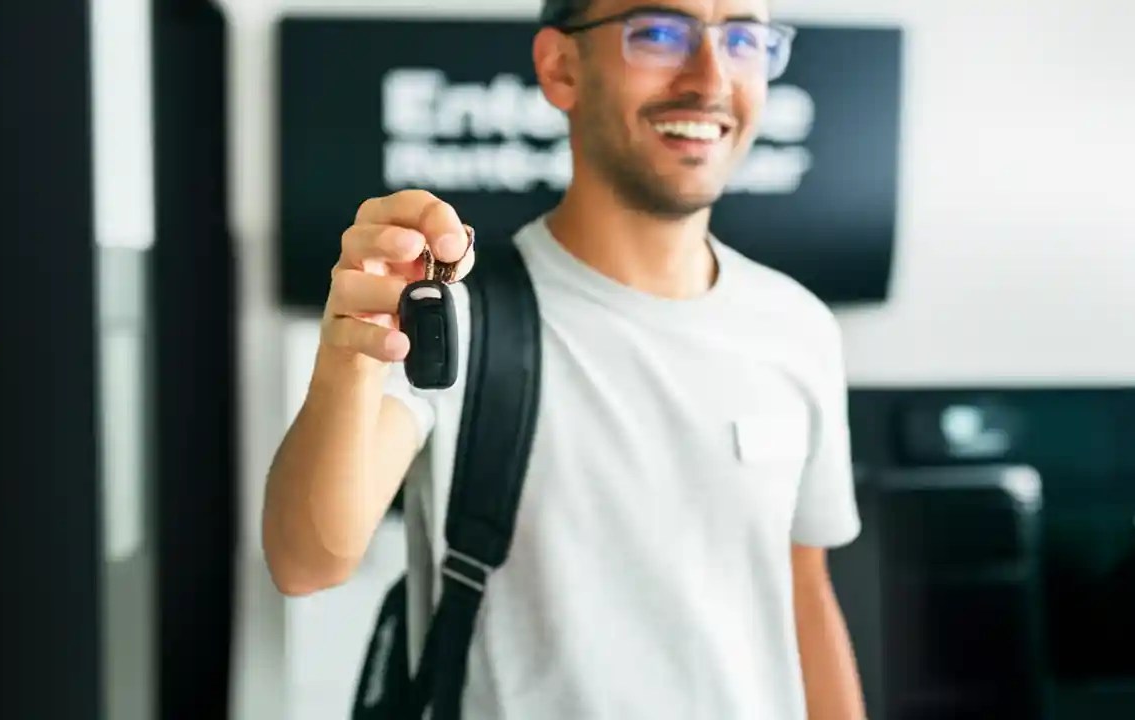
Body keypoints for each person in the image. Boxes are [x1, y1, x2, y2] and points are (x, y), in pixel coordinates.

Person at [263, 0, 867, 717]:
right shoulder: (454, 315)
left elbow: (804, 592)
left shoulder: (797, 327)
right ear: (560, 67)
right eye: (660, 33)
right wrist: (350, 352)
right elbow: (308, 560)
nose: (710, 78)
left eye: (743, 39)